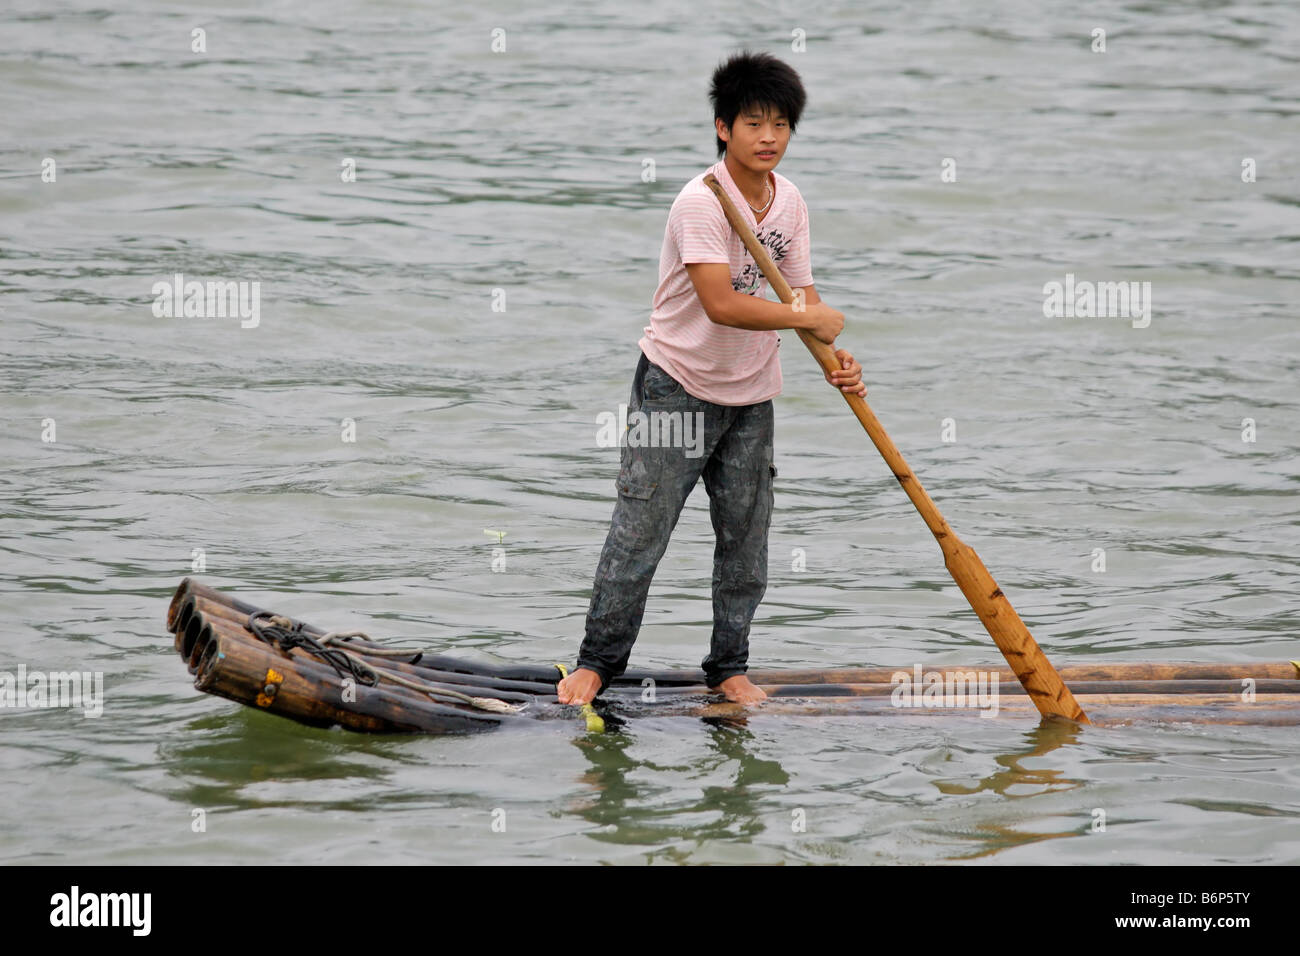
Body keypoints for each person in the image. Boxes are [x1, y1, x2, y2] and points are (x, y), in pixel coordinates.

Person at [557, 50, 865, 707]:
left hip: (752, 396)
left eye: (781, 125)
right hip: (677, 387)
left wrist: (837, 360)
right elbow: (722, 304)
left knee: (747, 543)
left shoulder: (791, 203)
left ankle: (728, 667)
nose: (769, 139)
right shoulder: (701, 203)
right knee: (640, 534)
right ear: (723, 127)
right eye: (754, 124)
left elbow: (802, 295)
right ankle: (595, 664)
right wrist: (805, 315)